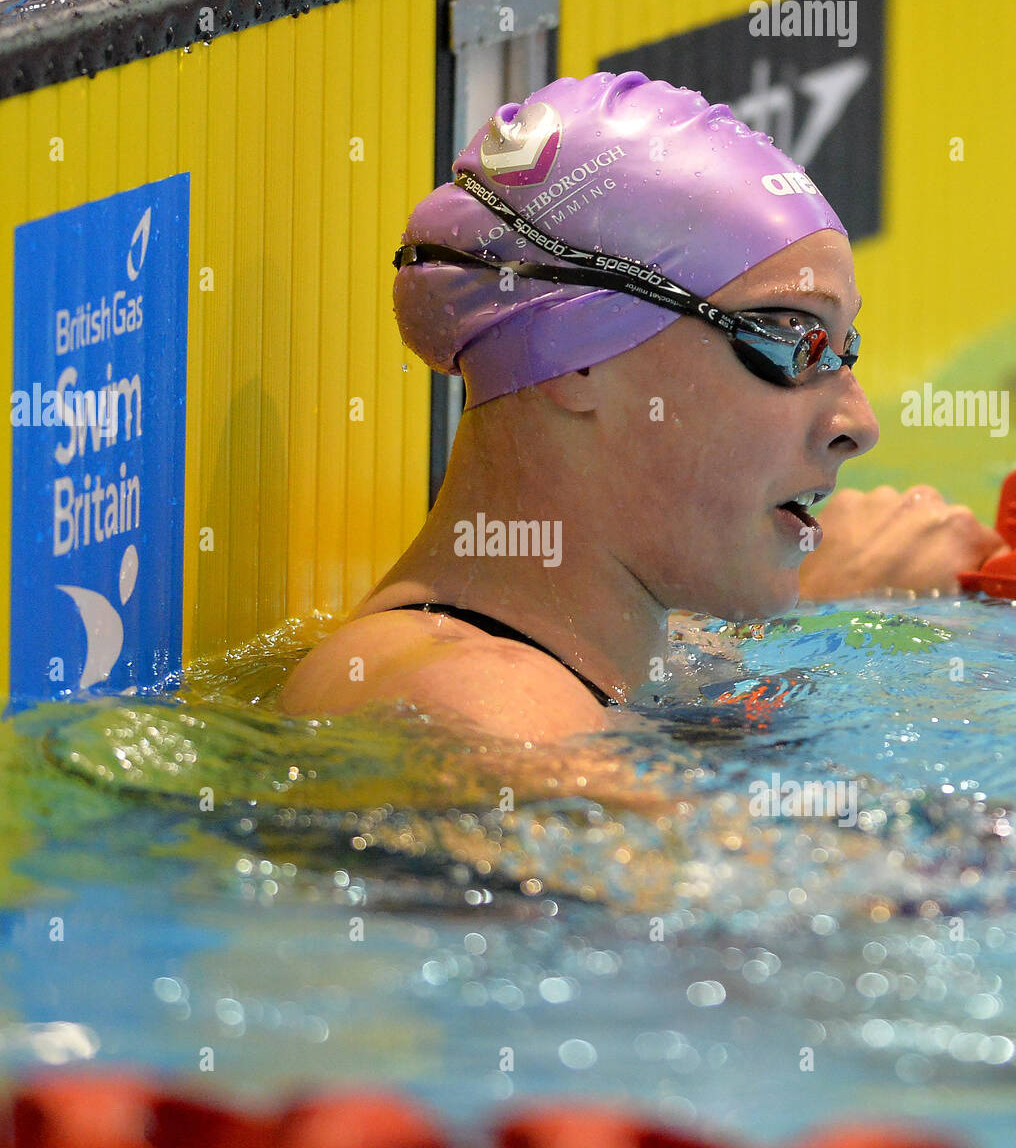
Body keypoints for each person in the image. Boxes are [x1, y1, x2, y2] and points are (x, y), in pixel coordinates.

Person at [281, 72, 1005, 742]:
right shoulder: (483, 704)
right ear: (579, 354)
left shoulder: (618, 659)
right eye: (788, 338)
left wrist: (815, 580)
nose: (859, 424)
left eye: (843, 352)